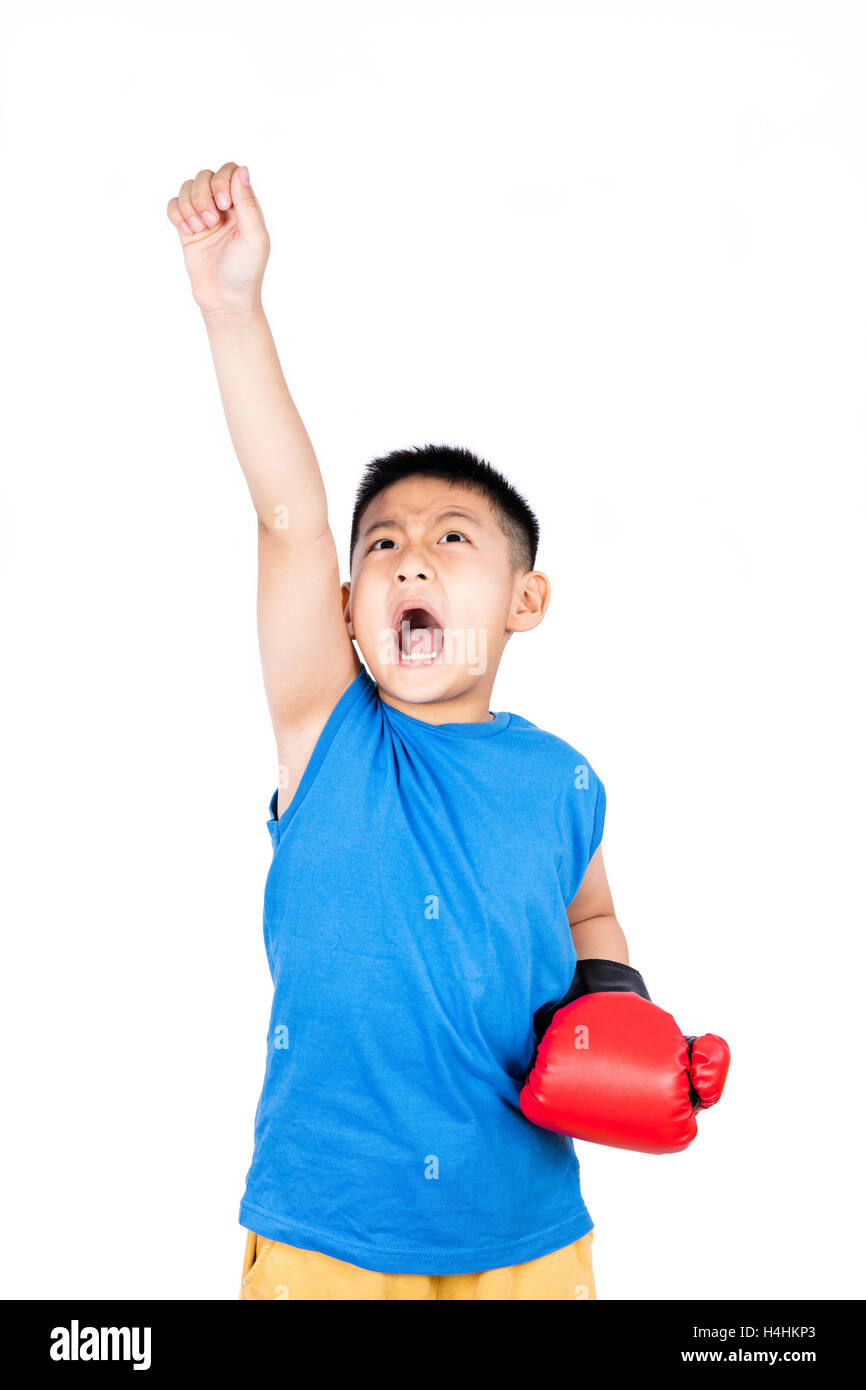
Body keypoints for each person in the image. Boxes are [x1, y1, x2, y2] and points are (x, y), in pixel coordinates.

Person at [166, 160, 631, 1301]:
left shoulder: (560, 778)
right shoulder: (328, 733)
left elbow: (589, 909)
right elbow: (286, 518)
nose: (410, 554)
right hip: (329, 1230)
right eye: (383, 545)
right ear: (345, 609)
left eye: (453, 539)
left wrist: (616, 1008)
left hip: (528, 1227)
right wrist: (233, 307)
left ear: (524, 602)